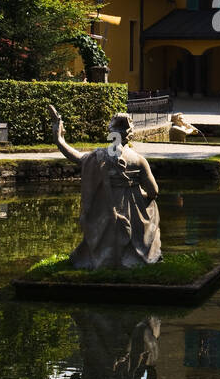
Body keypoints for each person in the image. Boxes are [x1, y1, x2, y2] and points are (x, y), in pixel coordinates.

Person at [49, 107, 161, 268]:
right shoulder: (138, 160)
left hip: (105, 207)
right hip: (132, 206)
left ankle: (104, 257)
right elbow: (154, 191)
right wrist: (140, 193)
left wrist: (59, 139)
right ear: (130, 135)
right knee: (152, 206)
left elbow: (78, 158)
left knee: (103, 214)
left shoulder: (98, 157)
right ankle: (137, 253)